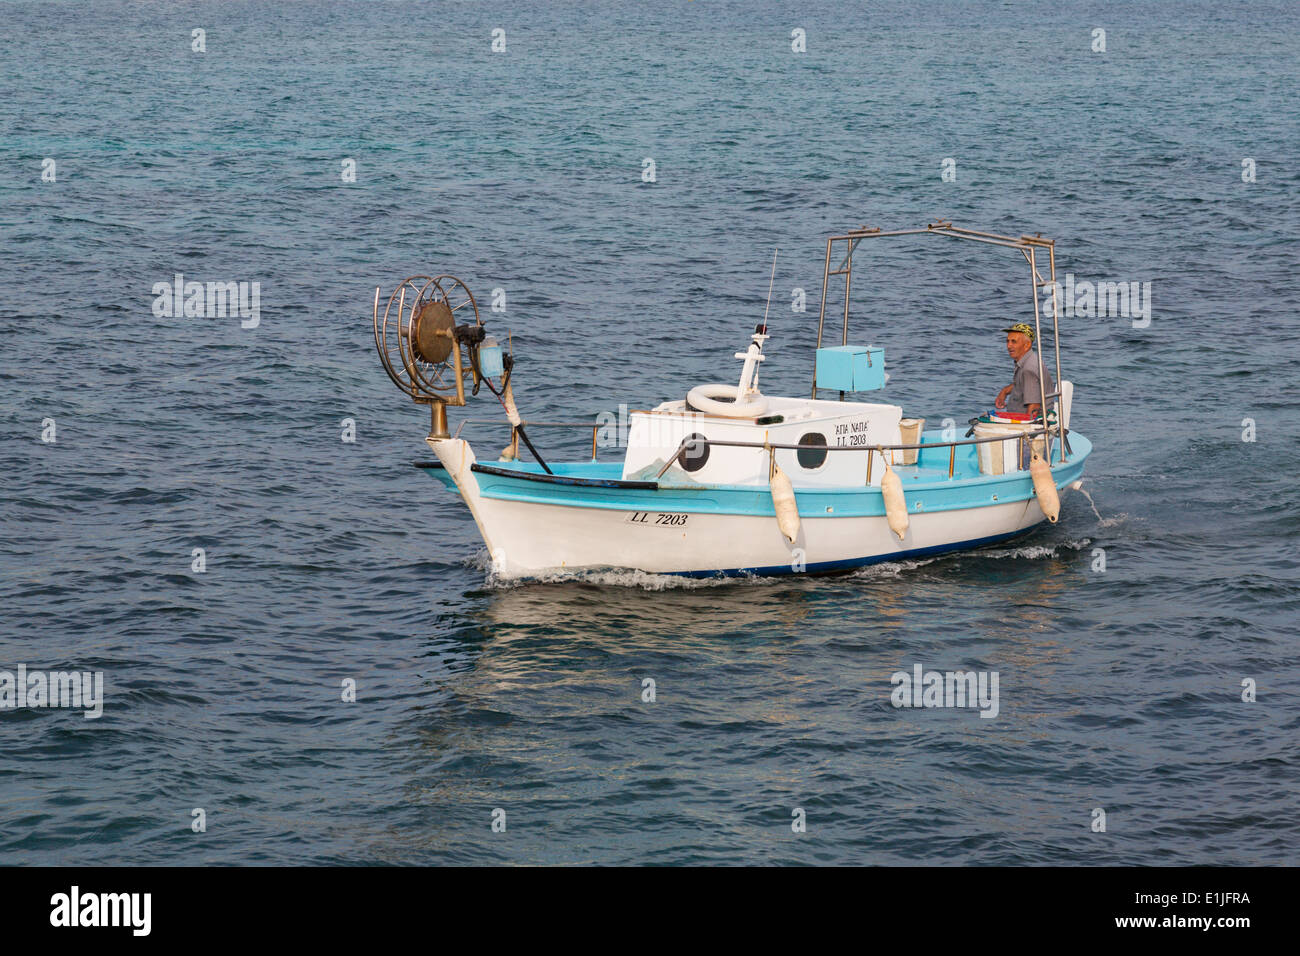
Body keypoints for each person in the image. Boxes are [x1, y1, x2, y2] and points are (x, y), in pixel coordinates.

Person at [994, 323, 1054, 419]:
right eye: (1007, 341)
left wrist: (1022, 431)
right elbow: (1024, 383)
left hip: (1028, 426)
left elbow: (1034, 408)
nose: (1009, 346)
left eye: (1014, 342)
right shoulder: (1030, 360)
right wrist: (1005, 391)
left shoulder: (1028, 369)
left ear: (1027, 345)